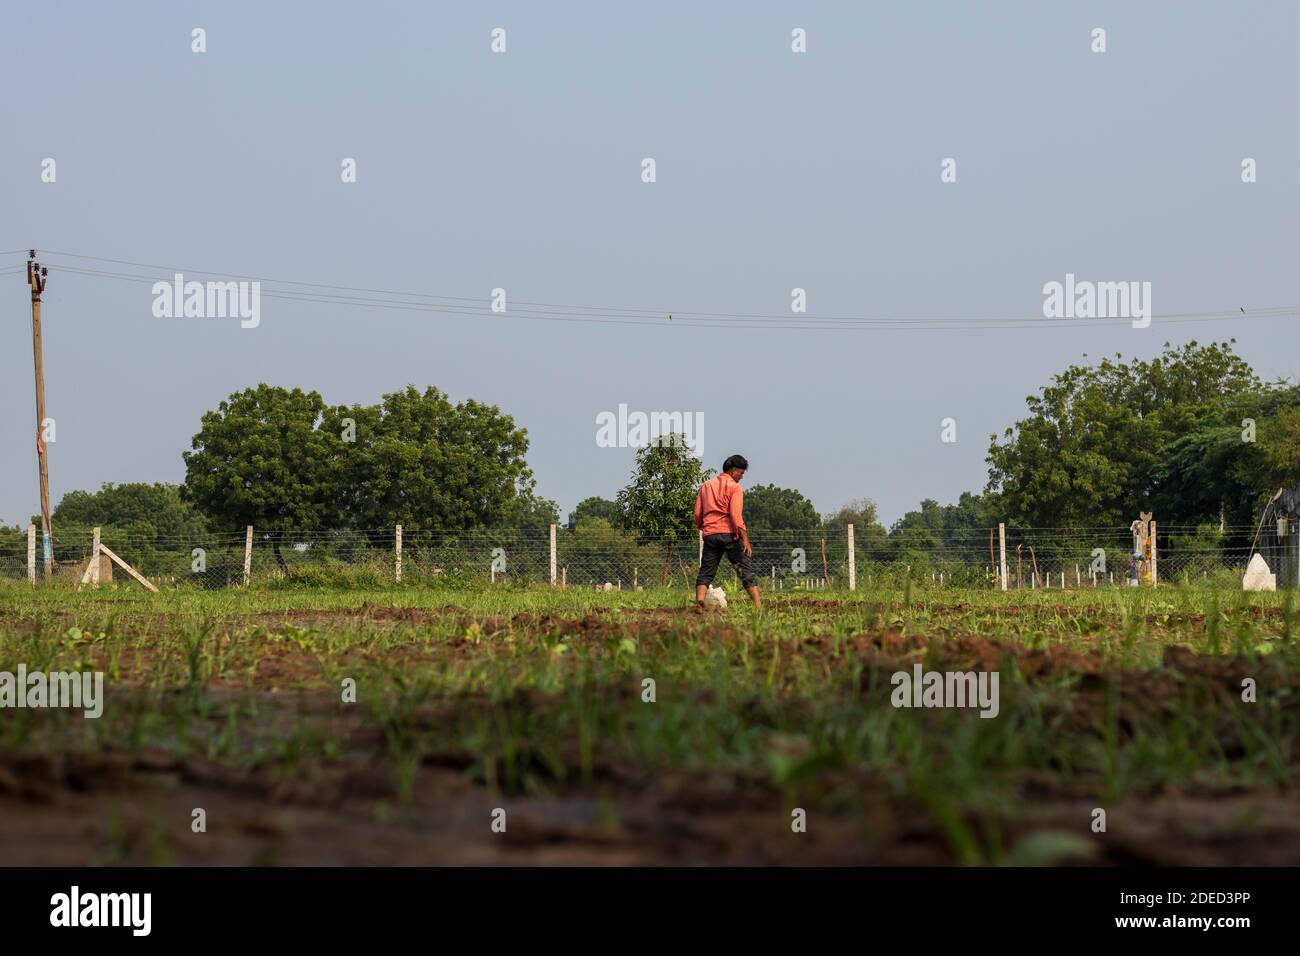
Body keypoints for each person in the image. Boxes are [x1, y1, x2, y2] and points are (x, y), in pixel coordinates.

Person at [693, 454, 761, 609]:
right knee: (744, 569)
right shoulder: (735, 488)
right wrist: (745, 539)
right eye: (741, 473)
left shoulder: (706, 485)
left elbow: (697, 513)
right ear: (734, 470)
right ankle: (758, 606)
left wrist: (703, 526)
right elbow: (736, 515)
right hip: (729, 535)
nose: (742, 477)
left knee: (706, 570)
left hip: (710, 534)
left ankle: (699, 604)